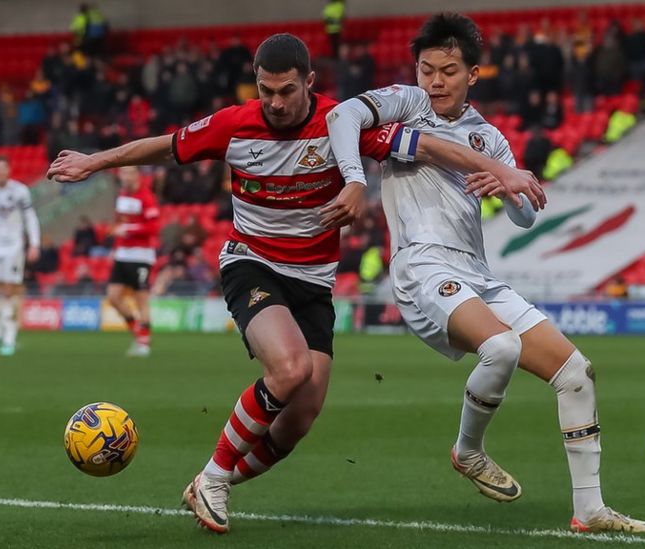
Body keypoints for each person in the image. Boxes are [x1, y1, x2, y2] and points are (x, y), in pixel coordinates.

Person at [47, 32, 543, 534]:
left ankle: (209, 481)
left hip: (314, 281)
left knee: (298, 418)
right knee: (288, 370)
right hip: (253, 263)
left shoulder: (339, 126)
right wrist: (94, 161)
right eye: (266, 91)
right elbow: (167, 147)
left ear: (308, 82)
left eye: (286, 91)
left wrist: (501, 169)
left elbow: (427, 145)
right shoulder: (233, 125)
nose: (276, 102)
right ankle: (215, 477)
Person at [327, 13, 645, 534]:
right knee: (500, 347)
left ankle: (590, 509)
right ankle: (468, 450)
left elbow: (525, 213)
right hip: (420, 264)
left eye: (449, 71)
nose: (435, 81)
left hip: (475, 272)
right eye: (427, 69)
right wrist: (352, 179)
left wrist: (507, 190)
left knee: (576, 373)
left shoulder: (490, 139)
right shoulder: (407, 104)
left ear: (473, 75)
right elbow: (341, 116)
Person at [0, 156, 41, 356]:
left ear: (9, 170)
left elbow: (30, 217)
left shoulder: (20, 191)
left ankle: (9, 339)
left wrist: (34, 244)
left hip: (13, 247)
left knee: (10, 292)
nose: (0, 172)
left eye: (3, 168)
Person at [107, 166, 160, 357]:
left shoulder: (146, 197)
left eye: (129, 173)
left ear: (137, 175)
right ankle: (138, 331)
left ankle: (144, 343)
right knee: (113, 297)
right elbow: (119, 224)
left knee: (141, 299)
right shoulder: (121, 196)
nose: (125, 177)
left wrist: (129, 230)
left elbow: (153, 227)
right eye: (123, 173)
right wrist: (115, 248)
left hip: (141, 255)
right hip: (122, 254)